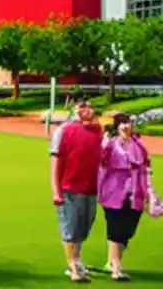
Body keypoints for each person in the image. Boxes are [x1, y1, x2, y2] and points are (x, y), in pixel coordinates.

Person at [50, 99, 103, 283]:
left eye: (89, 106)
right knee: (70, 229)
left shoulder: (97, 132)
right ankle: (72, 266)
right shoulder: (64, 131)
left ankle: (77, 260)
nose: (86, 109)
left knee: (83, 228)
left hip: (90, 188)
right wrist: (55, 190)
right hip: (69, 188)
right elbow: (55, 162)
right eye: (82, 106)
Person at [99, 113, 151, 282]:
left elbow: (144, 165)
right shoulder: (111, 144)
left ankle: (112, 262)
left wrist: (148, 192)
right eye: (122, 123)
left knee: (127, 230)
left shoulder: (138, 145)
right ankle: (116, 267)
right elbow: (101, 159)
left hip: (135, 191)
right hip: (114, 190)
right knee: (115, 228)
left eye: (128, 123)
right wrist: (105, 141)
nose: (126, 126)